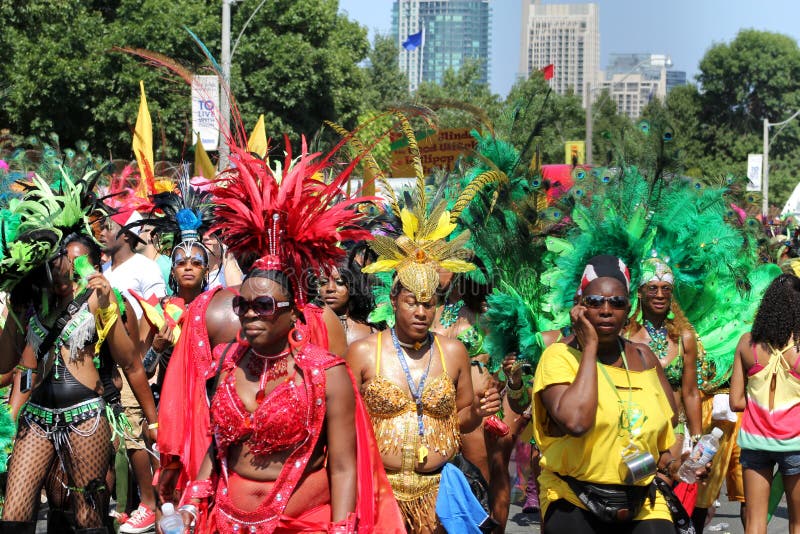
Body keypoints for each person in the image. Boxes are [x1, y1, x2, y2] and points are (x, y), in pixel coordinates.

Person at [0, 232, 157, 534]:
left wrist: (154, 422)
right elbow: (8, 365)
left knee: (88, 519)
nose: (69, 267)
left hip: (85, 417)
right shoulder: (34, 302)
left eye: (77, 261)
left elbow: (130, 361)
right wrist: (17, 309)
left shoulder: (97, 297)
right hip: (37, 419)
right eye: (61, 260)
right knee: (13, 514)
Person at [532, 255, 701, 534]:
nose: (606, 310)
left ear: (628, 308)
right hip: (574, 495)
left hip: (641, 495)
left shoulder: (644, 357)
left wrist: (674, 464)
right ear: (579, 306)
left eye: (617, 302)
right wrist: (589, 348)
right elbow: (576, 422)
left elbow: (662, 430)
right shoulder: (559, 357)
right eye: (595, 301)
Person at [97, 206, 166, 533]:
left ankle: (152, 505)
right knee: (122, 437)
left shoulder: (145, 266)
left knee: (138, 433)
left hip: (135, 363)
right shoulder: (105, 270)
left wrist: (148, 358)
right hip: (108, 366)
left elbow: (159, 315)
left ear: (126, 234)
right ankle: (131, 505)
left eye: (108, 226)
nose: (101, 231)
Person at [730, 273, 800, 534]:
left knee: (755, 522)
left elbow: (736, 401)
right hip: (796, 442)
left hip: (755, 442)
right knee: (798, 522)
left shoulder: (746, 344)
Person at [316, 260, 378, 346]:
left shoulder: (372, 330)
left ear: (353, 287)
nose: (330, 288)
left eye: (340, 282)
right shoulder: (306, 325)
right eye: (323, 282)